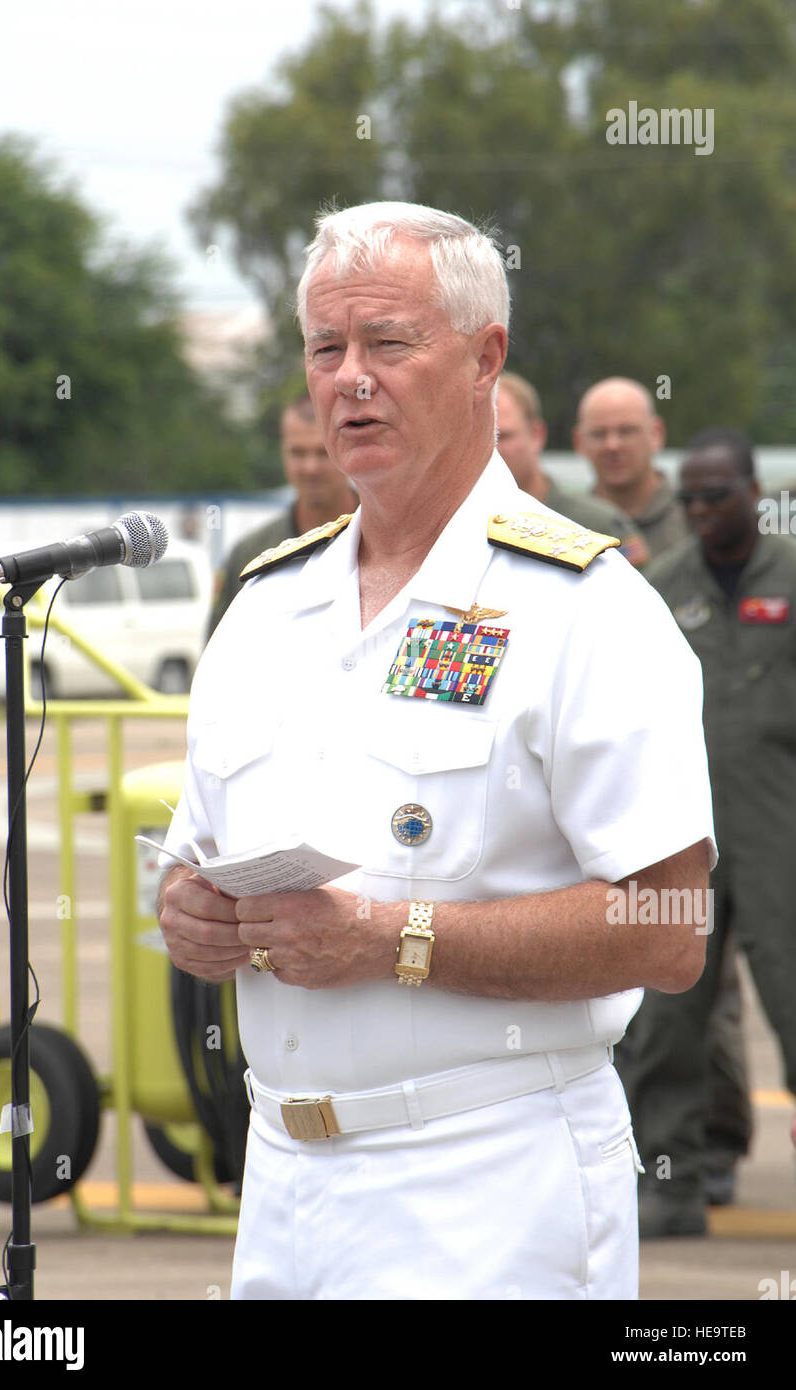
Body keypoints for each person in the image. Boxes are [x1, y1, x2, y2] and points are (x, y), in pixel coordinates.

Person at [158, 201, 714, 1301]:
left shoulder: (584, 608)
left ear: (482, 360)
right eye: (327, 348)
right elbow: (191, 853)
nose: (349, 378)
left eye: (387, 343)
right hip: (280, 1185)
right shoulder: (264, 610)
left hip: (488, 1188)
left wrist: (389, 937)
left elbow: (669, 928)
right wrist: (186, 909)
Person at [617, 428, 796, 1237]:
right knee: (665, 1014)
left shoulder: (789, 574)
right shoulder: (663, 586)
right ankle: (671, 1183)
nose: (696, 510)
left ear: (754, 490)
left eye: (714, 494)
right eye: (685, 497)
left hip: (777, 824)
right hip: (683, 834)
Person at [204, 393, 358, 638]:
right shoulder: (250, 555)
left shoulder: (389, 541)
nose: (310, 467)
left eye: (323, 452)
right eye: (298, 453)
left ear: (347, 448)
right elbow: (218, 656)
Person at [496, 373, 650, 566]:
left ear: (536, 435)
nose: (491, 449)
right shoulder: (464, 523)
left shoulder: (597, 525)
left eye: (502, 436)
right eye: (479, 438)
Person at [573, 377, 690, 559]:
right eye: (598, 434)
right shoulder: (567, 526)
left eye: (627, 431)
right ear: (579, 442)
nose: (612, 445)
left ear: (656, 434)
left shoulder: (694, 517)